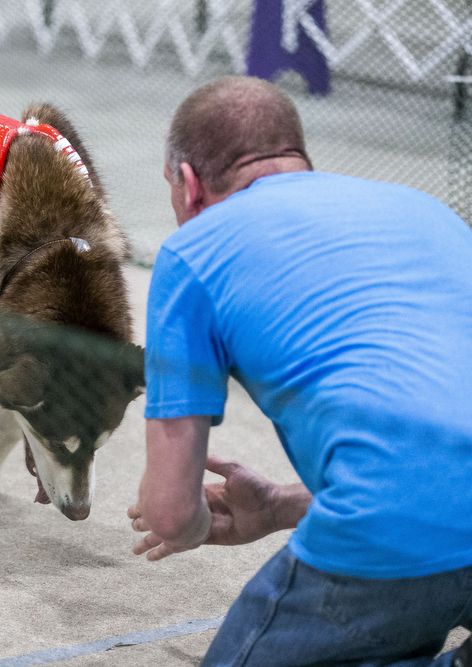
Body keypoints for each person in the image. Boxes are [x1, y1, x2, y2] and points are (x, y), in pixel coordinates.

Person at [127, 76, 472, 666]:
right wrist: (284, 505)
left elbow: (171, 514)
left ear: (187, 185)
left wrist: (188, 523)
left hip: (395, 531)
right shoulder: (430, 211)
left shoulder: (194, 251)